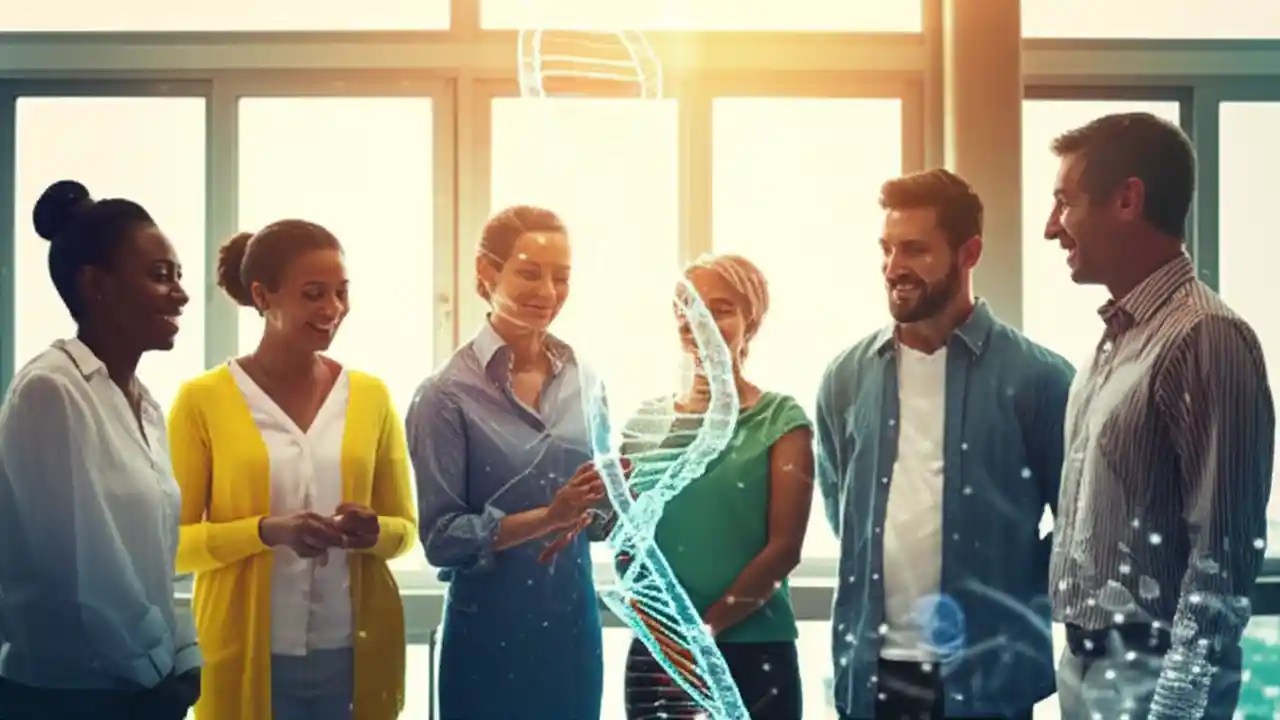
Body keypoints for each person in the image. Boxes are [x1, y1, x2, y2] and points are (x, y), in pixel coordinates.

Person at [815, 169, 1074, 719]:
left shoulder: (1039, 380)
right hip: (876, 673)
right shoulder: (845, 378)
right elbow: (847, 512)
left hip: (987, 677)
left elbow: (1077, 524)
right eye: (886, 249)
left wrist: (1008, 591)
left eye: (915, 249)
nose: (893, 268)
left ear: (969, 252)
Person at [1044, 112, 1274, 720]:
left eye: (1064, 203)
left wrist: (1175, 707)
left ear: (1127, 199)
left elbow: (1222, 555)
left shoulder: (1207, 337)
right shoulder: (1113, 343)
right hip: (1088, 667)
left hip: (1150, 680)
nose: (1051, 228)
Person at [168, 220, 416, 720]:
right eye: (314, 294)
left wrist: (370, 532)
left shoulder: (371, 397)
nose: (333, 310)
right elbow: (170, 546)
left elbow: (405, 531)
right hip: (244, 658)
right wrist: (265, 531)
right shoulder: (202, 401)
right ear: (263, 295)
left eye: (341, 293)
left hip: (354, 658)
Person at [0, 180, 202, 719]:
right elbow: (82, 571)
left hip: (143, 685)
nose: (181, 293)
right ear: (96, 285)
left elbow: (159, 558)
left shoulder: (146, 404)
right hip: (70, 696)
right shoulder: (51, 389)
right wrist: (155, 678)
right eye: (160, 276)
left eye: (178, 276)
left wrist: (185, 654)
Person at [407, 205, 608, 720]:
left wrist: (613, 497)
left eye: (561, 278)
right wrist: (550, 516)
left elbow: (601, 526)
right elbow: (443, 539)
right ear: (486, 272)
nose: (548, 292)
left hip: (573, 632)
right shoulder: (444, 396)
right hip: (488, 638)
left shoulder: (586, 382)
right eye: (529, 273)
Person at [611, 253, 812, 720]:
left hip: (753, 653)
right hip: (659, 656)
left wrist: (702, 632)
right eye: (688, 309)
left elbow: (784, 549)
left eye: (719, 309)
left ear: (751, 320)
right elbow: (627, 545)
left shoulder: (781, 420)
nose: (698, 322)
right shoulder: (646, 424)